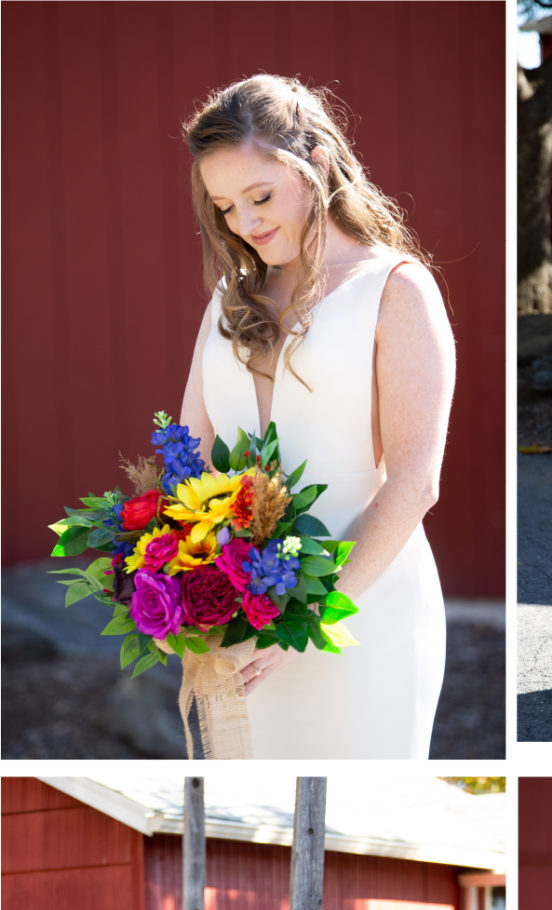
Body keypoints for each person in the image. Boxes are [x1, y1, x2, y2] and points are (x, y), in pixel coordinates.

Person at [180, 75, 455, 755]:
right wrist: (178, 591)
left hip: (362, 618)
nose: (244, 223)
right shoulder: (226, 302)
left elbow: (414, 483)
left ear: (318, 163)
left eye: (260, 196)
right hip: (236, 620)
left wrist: (307, 620)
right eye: (224, 207)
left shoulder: (394, 290)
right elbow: (182, 459)